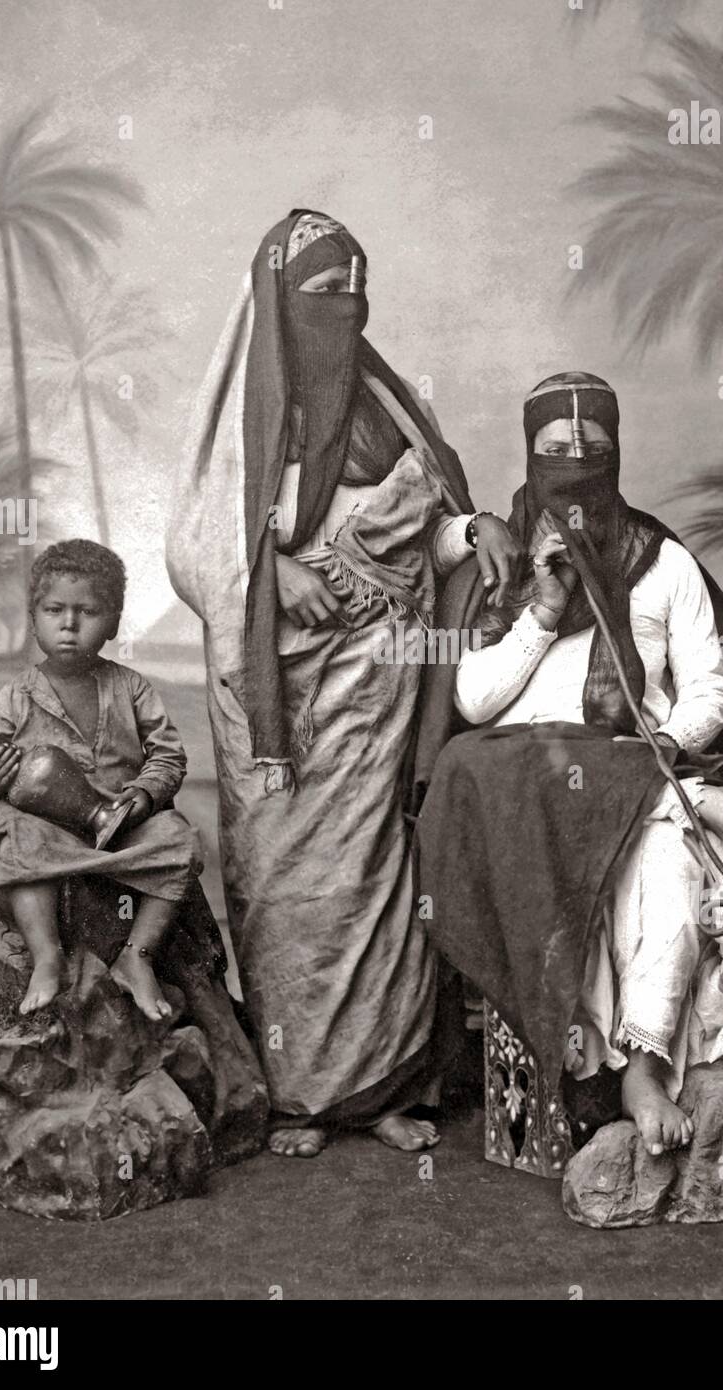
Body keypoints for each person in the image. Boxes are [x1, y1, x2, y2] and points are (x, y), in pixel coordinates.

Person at [167, 209, 518, 1157]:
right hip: (280, 706)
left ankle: (384, 1089)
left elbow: (427, 536)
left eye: (357, 289)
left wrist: (472, 531)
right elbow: (194, 547)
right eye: (325, 292)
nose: (347, 308)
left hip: (384, 690)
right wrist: (273, 574)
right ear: (281, 301)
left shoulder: (388, 408)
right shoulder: (241, 419)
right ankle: (303, 1097)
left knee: (379, 882)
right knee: (291, 894)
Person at [416, 372, 723, 1158]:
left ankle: (645, 1066)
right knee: (497, 763)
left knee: (674, 860)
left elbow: (708, 691)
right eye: (555, 451)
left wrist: (666, 747)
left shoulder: (663, 562)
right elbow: (474, 702)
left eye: (590, 449)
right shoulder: (502, 562)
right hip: (516, 771)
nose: (575, 464)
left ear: (616, 453)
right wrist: (542, 611)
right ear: (530, 456)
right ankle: (687, 797)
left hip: (633, 759)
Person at [0, 540, 203, 1021]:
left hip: (121, 829)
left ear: (114, 623)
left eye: (88, 612)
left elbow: (167, 755)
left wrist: (142, 797)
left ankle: (136, 956)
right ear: (33, 618)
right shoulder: (16, 696)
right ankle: (47, 957)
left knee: (179, 839)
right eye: (54, 610)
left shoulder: (131, 687)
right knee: (14, 834)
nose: (69, 624)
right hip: (50, 832)